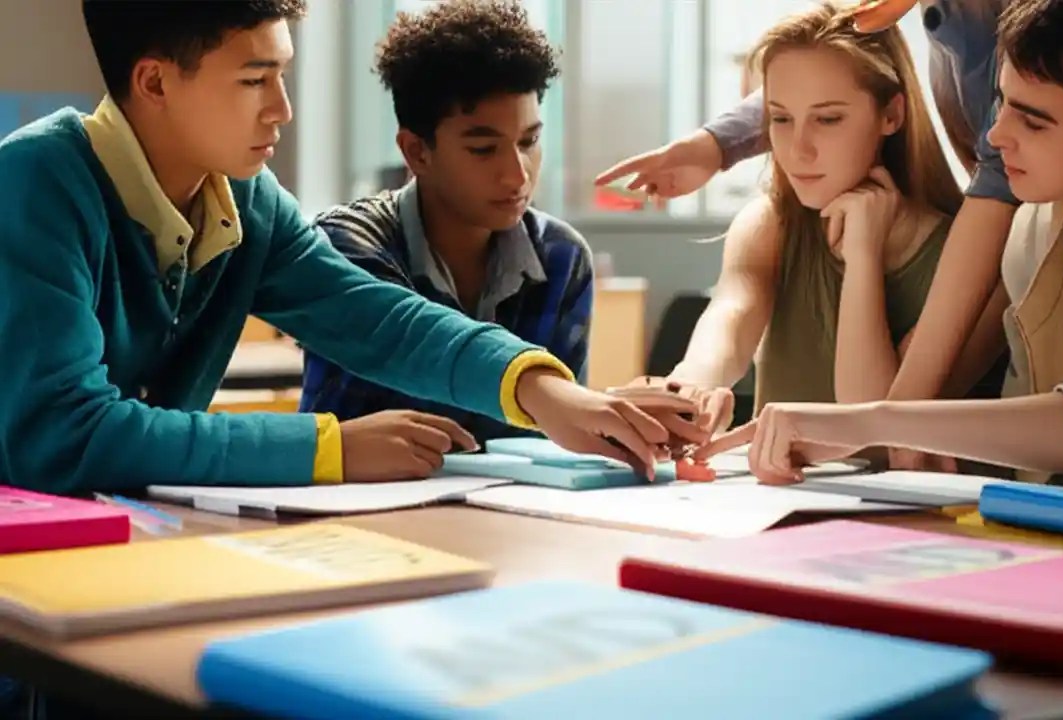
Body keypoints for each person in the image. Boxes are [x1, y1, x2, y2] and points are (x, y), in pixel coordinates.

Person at [0, 0, 702, 497]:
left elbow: (374, 317)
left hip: (122, 534)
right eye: (254, 80)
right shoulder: (35, 183)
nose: (282, 109)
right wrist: (327, 447)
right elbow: (62, 435)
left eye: (282, 75)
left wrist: (539, 389)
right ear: (155, 81)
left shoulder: (246, 199)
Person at [700, 0, 1063, 506]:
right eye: (1001, 103)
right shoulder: (1038, 225)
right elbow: (1035, 456)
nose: (996, 138)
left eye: (1032, 121)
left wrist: (877, 421)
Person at [600, 0, 1019, 473]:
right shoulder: (771, 224)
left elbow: (874, 425)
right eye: (780, 119)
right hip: (779, 506)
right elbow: (731, 319)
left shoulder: (975, 256)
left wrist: (863, 257)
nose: (798, 150)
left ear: (891, 115)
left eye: (828, 119)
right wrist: (690, 385)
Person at [299, 0, 594, 453]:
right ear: (417, 152)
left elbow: (555, 440)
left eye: (529, 141)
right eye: (483, 149)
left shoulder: (561, 258)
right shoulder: (348, 245)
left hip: (509, 498)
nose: (517, 175)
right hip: (359, 493)